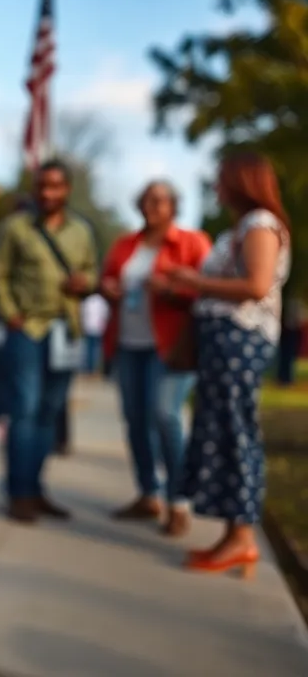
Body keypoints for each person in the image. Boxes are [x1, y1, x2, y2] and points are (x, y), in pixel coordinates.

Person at [165, 152, 290, 576]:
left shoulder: (259, 225)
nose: (216, 187)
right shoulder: (241, 227)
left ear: (241, 181)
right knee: (219, 431)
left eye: (221, 179)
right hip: (223, 341)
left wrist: (194, 281)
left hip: (240, 339)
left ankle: (241, 537)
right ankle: (232, 536)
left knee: (235, 433)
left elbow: (256, 285)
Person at [98, 180, 211, 536]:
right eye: (147, 200)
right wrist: (107, 289)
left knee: (165, 415)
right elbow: (108, 279)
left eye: (160, 201)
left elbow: (208, 290)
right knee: (134, 419)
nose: (152, 207)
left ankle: (179, 500)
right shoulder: (125, 244)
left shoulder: (192, 243)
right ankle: (149, 493)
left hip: (172, 346)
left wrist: (172, 290)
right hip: (129, 342)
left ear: (174, 206)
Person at [0, 158, 99, 524]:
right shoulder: (15, 228)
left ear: (66, 189)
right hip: (28, 331)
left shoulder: (80, 231)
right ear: (35, 189)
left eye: (55, 186)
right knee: (25, 409)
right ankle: (18, 492)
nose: (48, 193)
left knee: (49, 414)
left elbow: (92, 272)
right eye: (42, 186)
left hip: (65, 331)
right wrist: (11, 315)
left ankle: (36, 489)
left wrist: (85, 283)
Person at [0, 197, 32, 445]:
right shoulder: (2, 238)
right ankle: (2, 420)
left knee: (8, 373)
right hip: (6, 317)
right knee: (5, 372)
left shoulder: (2, 238)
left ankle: (4, 420)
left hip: (20, 319)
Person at [277, 297, 304, 386]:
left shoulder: (294, 300)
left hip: (292, 329)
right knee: (286, 355)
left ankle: (286, 377)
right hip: (288, 329)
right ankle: (284, 378)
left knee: (288, 355)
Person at [79, 293, 109, 375]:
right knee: (96, 350)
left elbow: (83, 314)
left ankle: (90, 368)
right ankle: (95, 368)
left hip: (90, 328)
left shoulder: (87, 301)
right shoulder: (102, 301)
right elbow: (105, 314)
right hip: (96, 329)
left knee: (90, 349)